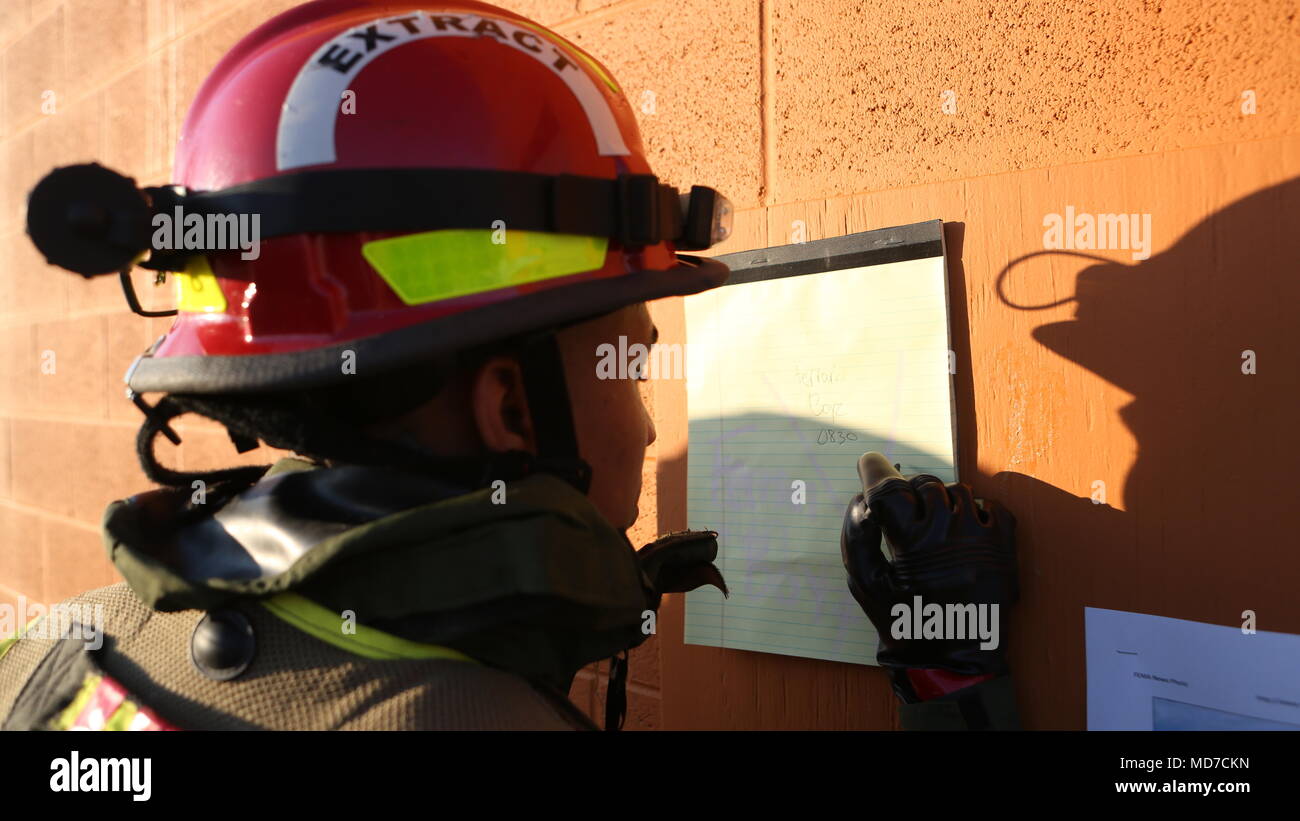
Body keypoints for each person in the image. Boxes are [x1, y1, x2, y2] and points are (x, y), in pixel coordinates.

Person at [0, 0, 1017, 730]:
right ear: (510, 408)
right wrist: (949, 681)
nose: (654, 428)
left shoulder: (66, 640)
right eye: (628, 364)